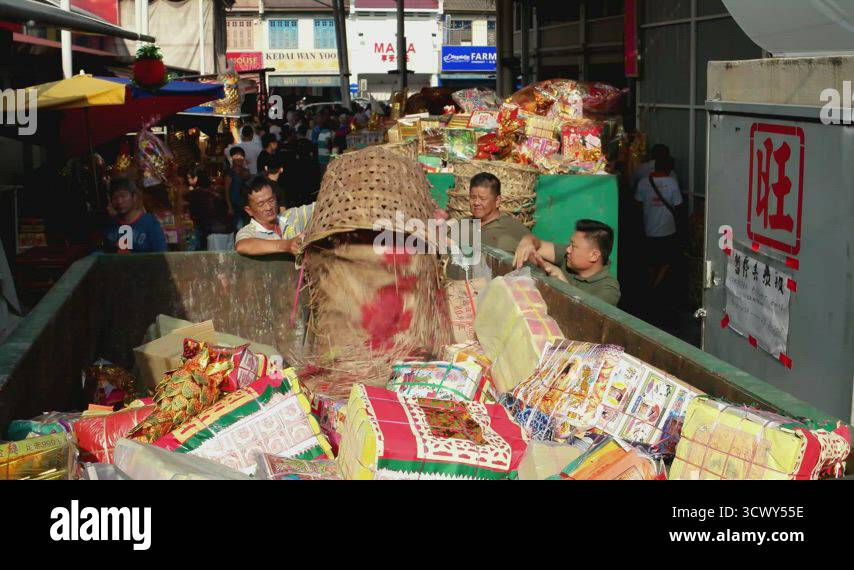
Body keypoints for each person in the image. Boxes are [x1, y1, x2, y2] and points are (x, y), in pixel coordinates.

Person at [514, 219, 621, 306]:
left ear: (594, 255)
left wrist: (562, 281)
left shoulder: (609, 290)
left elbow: (584, 317)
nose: (568, 250)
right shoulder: (569, 257)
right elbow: (538, 246)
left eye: (573, 246)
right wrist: (527, 240)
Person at [635, 155, 683, 292]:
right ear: (670, 169)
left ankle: (650, 284)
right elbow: (679, 206)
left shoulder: (643, 182)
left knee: (650, 261)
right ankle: (655, 287)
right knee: (666, 261)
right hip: (668, 230)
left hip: (649, 229)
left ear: (655, 166)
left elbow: (637, 205)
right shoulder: (672, 183)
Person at [235, 176, 305, 257]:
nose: (268, 207)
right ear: (249, 210)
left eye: (271, 200)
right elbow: (242, 246)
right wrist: (287, 245)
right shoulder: (248, 232)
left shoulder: (293, 215)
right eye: (261, 204)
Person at [468, 172, 530, 253]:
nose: (476, 203)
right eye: (473, 197)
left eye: (482, 199)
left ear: (497, 200)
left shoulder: (513, 229)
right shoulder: (461, 224)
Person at [103, 177, 168, 254]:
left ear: (134, 197)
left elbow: (160, 255)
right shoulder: (110, 223)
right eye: (115, 197)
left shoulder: (150, 223)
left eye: (123, 196)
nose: (119, 202)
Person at [184, 165, 234, 251]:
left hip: (216, 231)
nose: (188, 180)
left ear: (196, 178)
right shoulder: (212, 190)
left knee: (216, 261)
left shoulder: (197, 193)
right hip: (227, 229)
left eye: (189, 178)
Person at [224, 147, 252, 230]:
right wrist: (229, 207)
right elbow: (226, 191)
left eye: (241, 156)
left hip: (244, 204)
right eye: (237, 156)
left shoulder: (245, 172)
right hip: (234, 205)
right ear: (232, 158)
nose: (239, 159)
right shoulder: (229, 173)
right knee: (239, 227)